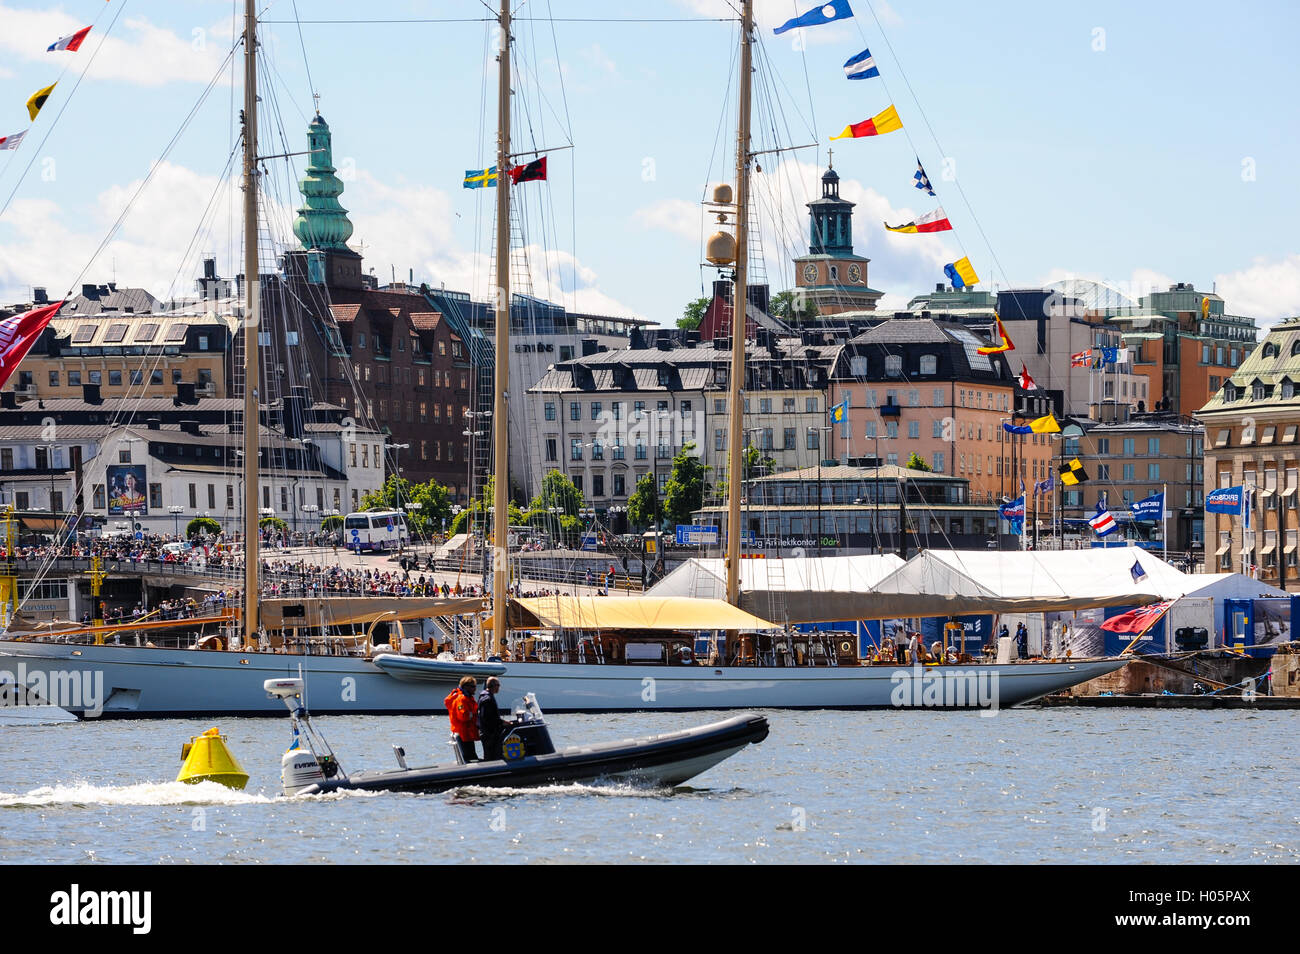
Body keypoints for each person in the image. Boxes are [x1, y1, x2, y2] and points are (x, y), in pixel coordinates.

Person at [443, 676, 479, 762]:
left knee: (471, 757)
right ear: (466, 687)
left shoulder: (467, 698)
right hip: (463, 733)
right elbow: (463, 716)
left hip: (466, 733)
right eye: (473, 686)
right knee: (470, 758)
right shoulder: (461, 699)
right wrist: (474, 714)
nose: (475, 689)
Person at [476, 676, 511, 761]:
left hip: (486, 732)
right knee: (490, 756)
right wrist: (502, 722)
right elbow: (488, 718)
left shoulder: (484, 696)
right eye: (498, 685)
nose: (499, 687)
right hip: (489, 733)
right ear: (493, 686)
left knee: (490, 755)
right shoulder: (487, 699)